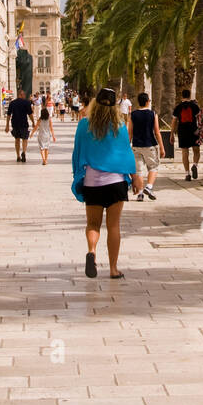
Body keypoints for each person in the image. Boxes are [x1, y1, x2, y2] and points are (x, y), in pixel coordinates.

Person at [71, 86, 136, 278]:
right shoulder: (120, 127)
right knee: (113, 225)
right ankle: (114, 269)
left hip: (92, 182)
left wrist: (77, 175)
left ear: (95, 103)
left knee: (93, 224)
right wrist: (134, 176)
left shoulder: (84, 125)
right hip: (116, 182)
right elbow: (126, 152)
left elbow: (77, 152)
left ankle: (91, 251)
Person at [128, 91, 163, 200]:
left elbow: (130, 132)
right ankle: (149, 186)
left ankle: (140, 193)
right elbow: (157, 132)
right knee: (153, 167)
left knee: (138, 170)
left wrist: (127, 146)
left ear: (139, 102)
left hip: (136, 145)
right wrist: (162, 147)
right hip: (150, 145)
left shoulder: (132, 115)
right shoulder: (153, 114)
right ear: (148, 102)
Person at [172, 89, 201, 180]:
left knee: (185, 153)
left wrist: (172, 133)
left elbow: (174, 121)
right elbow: (200, 119)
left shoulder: (178, 107)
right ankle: (195, 165)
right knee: (196, 150)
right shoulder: (195, 106)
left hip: (182, 131)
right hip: (193, 130)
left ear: (182, 96)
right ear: (189, 96)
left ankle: (187, 174)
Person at [6, 89, 34, 162]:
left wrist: (7, 125)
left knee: (17, 139)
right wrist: (33, 122)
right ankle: (24, 152)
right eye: (23, 94)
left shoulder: (12, 103)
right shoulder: (27, 103)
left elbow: (8, 115)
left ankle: (18, 156)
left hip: (15, 123)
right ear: (20, 95)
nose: (24, 96)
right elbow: (30, 114)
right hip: (24, 123)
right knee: (25, 139)